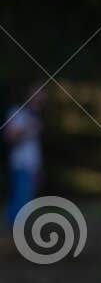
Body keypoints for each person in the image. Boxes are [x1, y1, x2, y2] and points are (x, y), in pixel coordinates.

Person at [4, 83, 45, 228]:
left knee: (25, 201)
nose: (40, 97)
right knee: (20, 201)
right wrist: (30, 128)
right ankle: (12, 232)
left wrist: (38, 168)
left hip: (32, 165)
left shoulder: (36, 116)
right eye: (37, 94)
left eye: (42, 94)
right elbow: (9, 136)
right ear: (29, 94)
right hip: (21, 164)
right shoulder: (17, 112)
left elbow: (34, 147)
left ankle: (13, 231)